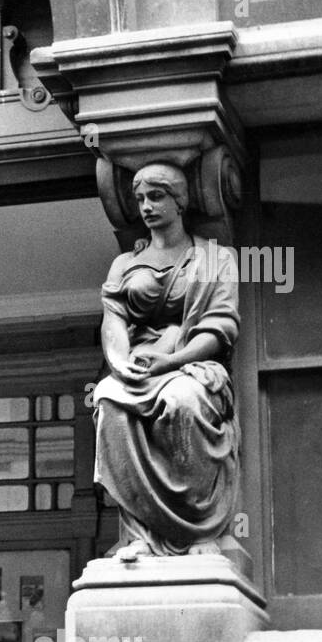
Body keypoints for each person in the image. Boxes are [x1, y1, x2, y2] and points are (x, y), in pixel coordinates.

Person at [92, 162, 240, 560]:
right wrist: (120, 363)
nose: (146, 206)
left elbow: (220, 327)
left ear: (179, 202)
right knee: (108, 400)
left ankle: (198, 532)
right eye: (140, 198)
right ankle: (139, 535)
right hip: (139, 367)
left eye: (156, 196)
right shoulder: (124, 264)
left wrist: (171, 362)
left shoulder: (215, 257)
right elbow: (114, 320)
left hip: (190, 364)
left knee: (183, 403)